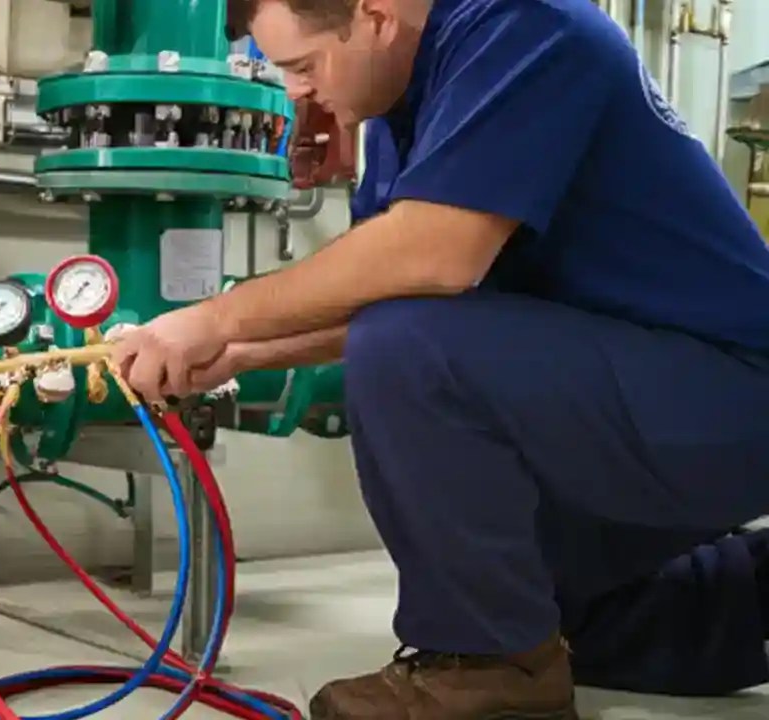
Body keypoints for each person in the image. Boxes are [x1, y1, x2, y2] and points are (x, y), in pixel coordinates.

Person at [110, 0, 769, 718]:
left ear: (376, 17)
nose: (295, 92)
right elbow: (380, 299)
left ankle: (486, 671)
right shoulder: (407, 106)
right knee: (552, 611)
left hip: (733, 392)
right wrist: (234, 353)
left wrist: (213, 316)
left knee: (407, 348)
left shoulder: (530, 26)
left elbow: (433, 262)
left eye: (302, 67)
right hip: (647, 399)